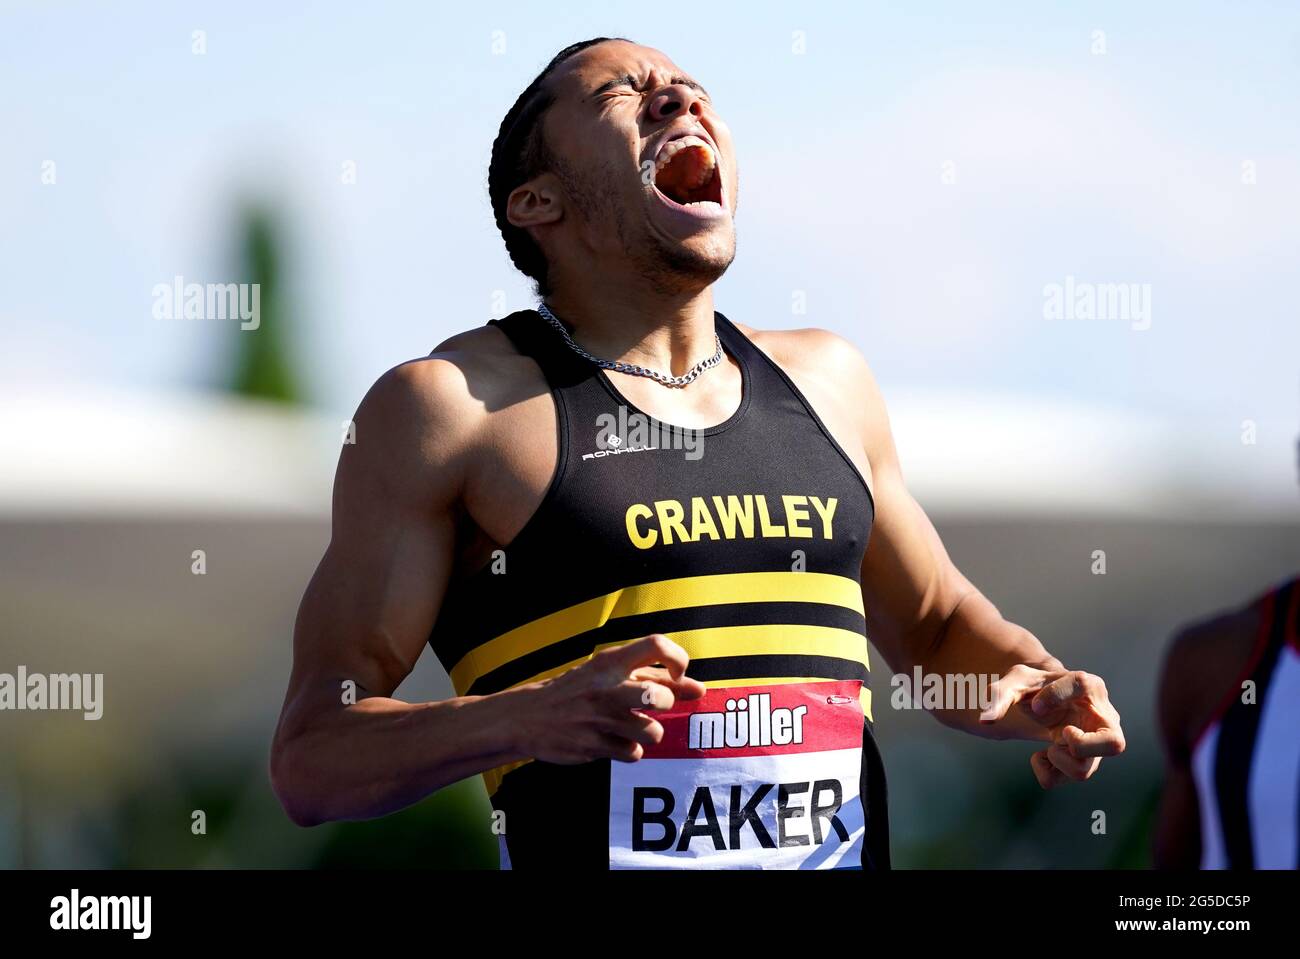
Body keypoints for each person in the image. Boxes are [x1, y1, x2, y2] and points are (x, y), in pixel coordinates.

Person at [270, 36, 1125, 869]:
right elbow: (311, 758)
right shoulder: (453, 409)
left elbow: (938, 630)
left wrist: (1038, 683)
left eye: (689, 84)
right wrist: (527, 718)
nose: (681, 99)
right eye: (622, 94)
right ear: (538, 202)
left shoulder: (829, 379)